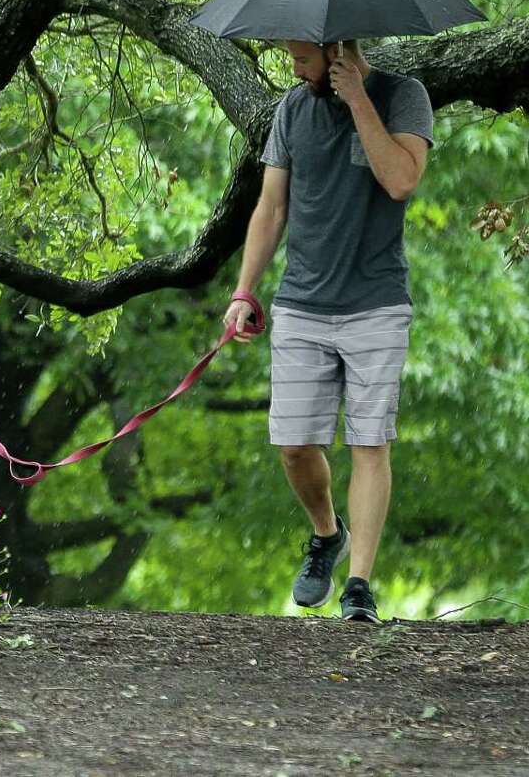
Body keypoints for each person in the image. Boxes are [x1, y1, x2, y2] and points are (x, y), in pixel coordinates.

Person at [222, 38, 434, 623]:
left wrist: (360, 101)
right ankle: (326, 534)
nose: (293, 67)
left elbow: (401, 181)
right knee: (293, 447)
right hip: (302, 305)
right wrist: (245, 290)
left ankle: (360, 587)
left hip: (376, 304)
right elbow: (270, 208)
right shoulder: (292, 110)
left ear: (338, 47)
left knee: (370, 442)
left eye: (302, 57)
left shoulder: (403, 97)